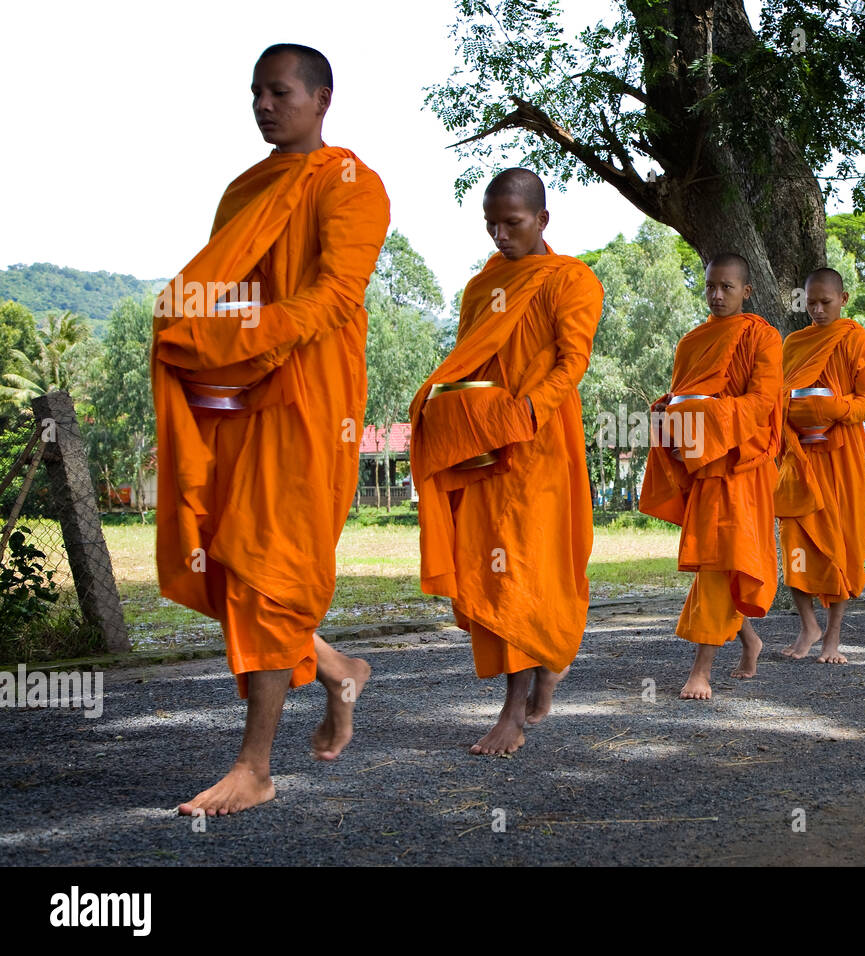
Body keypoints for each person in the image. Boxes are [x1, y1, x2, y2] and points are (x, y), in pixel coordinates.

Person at [152, 44, 390, 815]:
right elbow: (220, 288)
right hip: (241, 395)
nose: (263, 105)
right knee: (230, 558)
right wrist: (192, 331)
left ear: (322, 99)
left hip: (311, 400)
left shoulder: (351, 184)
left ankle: (254, 768)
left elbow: (331, 297)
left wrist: (234, 337)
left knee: (267, 566)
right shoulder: (245, 189)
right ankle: (335, 666)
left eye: (279, 91)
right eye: (254, 92)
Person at [408, 168, 603, 756]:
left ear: (542, 220)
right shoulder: (480, 288)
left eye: (512, 223)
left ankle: (513, 713)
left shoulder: (570, 280)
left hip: (540, 446)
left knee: (527, 568)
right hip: (486, 449)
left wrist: (527, 411)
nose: (500, 235)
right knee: (493, 571)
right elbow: (467, 360)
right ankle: (541, 670)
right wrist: (440, 406)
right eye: (491, 224)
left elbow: (572, 362)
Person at [639, 253, 781, 699]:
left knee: (723, 562)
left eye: (727, 287)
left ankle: (701, 669)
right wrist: (666, 413)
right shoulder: (692, 341)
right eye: (710, 287)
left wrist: (702, 416)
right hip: (704, 461)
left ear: (747, 292)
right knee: (719, 558)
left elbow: (762, 403)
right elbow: (682, 395)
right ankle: (750, 640)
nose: (717, 295)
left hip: (741, 463)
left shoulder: (763, 337)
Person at [775, 268, 865, 663]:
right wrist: (790, 411)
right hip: (798, 457)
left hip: (841, 454)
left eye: (825, 302)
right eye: (810, 303)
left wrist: (831, 406)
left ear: (844, 299)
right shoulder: (794, 343)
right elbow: (778, 394)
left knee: (842, 543)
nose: (817, 310)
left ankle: (833, 637)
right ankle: (808, 625)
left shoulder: (859, 341)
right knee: (795, 541)